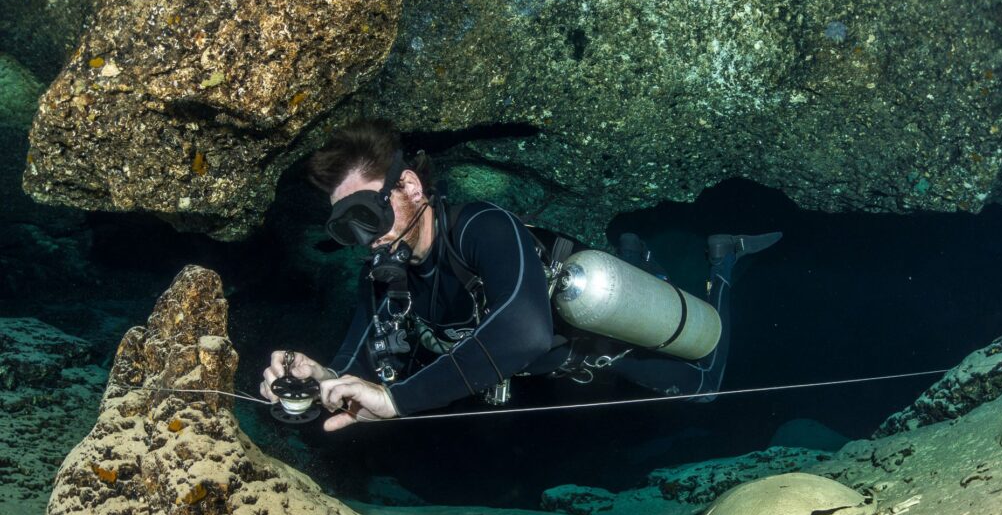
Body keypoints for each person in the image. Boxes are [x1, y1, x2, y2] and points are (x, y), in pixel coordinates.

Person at [260, 119, 781, 431]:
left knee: (707, 387)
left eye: (367, 217)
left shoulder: (484, 226)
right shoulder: (381, 281)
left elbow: (525, 333)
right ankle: (633, 249)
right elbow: (359, 365)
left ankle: (724, 260)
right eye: (346, 229)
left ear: (411, 188)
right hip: (558, 372)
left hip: (603, 340)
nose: (366, 240)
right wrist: (317, 381)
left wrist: (398, 402)